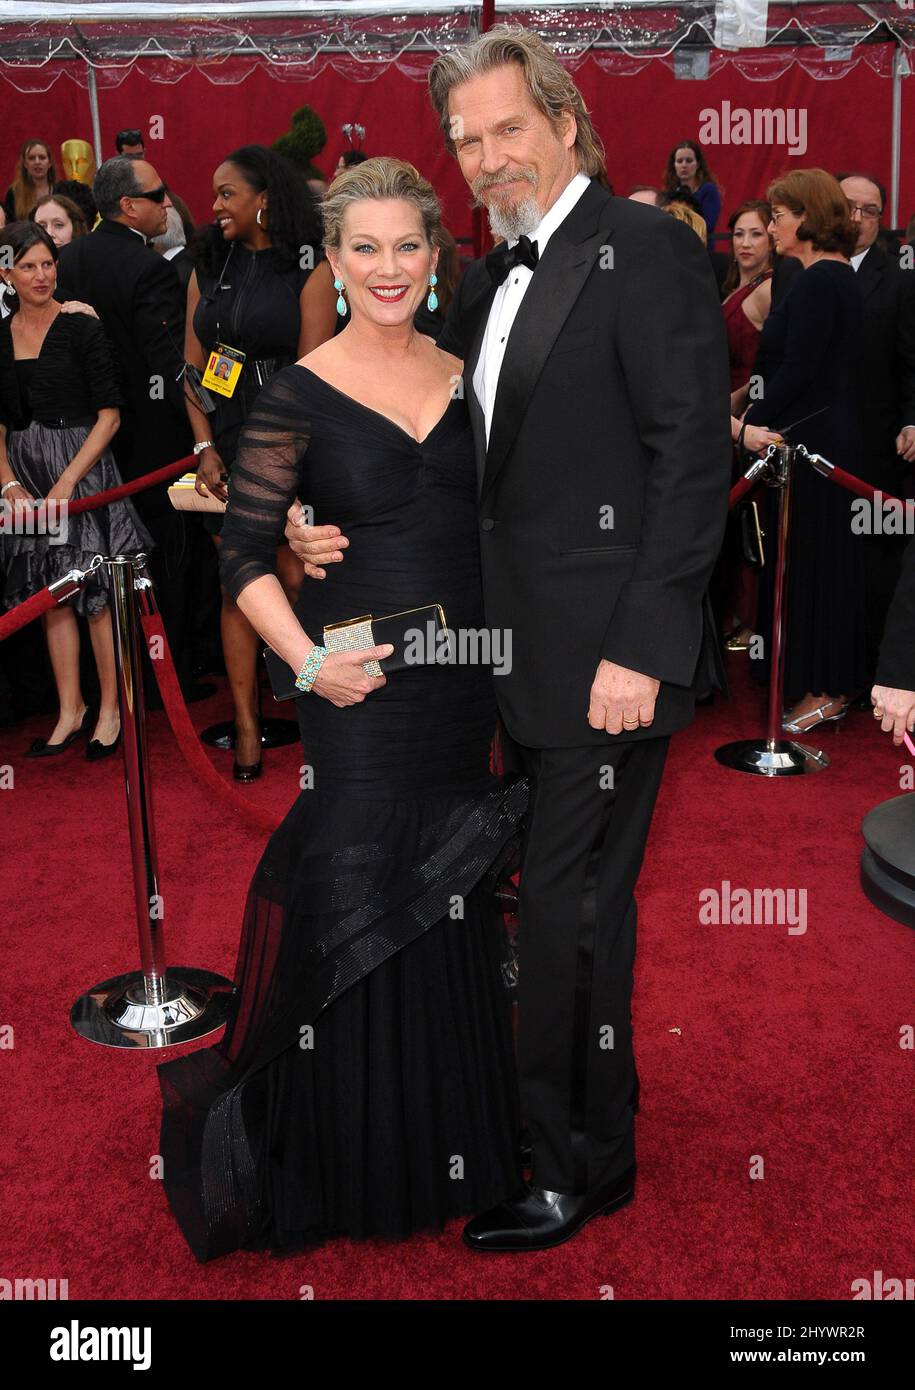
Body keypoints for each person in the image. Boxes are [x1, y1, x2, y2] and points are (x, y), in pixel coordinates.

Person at [285, 25, 733, 1252]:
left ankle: (579, 1165)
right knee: (529, 897)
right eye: (468, 141)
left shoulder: (647, 251)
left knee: (572, 911)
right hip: (499, 662)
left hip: (605, 667)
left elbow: (691, 464)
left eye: (507, 131)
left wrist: (640, 648)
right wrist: (322, 528)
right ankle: (564, 1113)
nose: (488, 160)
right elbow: (454, 466)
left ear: (566, 121)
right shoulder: (483, 279)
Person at [156, 156, 528, 1262]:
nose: (388, 268)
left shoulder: (473, 376)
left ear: (434, 254)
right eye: (363, 247)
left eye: (407, 246)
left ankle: (448, 1128)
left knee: (452, 886)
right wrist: (307, 662)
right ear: (332, 257)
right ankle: (340, 1144)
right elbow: (241, 552)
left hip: (464, 674)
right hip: (357, 681)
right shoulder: (297, 391)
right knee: (358, 868)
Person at [185, 144, 337, 779]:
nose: (215, 205)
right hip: (222, 443)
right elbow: (192, 368)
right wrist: (203, 447)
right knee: (234, 585)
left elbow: (312, 376)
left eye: (227, 193)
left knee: (295, 581)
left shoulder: (310, 267)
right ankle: (246, 727)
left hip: (290, 446)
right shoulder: (206, 263)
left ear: (264, 200)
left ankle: (317, 712)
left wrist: (276, 464)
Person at [0, 222, 152, 758]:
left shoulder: (81, 325)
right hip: (25, 480)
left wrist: (67, 482)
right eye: (27, 266)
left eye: (47, 263)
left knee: (95, 595)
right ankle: (71, 710)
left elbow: (111, 416)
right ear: (6, 274)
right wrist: (10, 483)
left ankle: (111, 709)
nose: (41, 275)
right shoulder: (0, 336)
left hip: (82, 471)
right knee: (50, 596)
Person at [55, 156, 197, 698]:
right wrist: (198, 432)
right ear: (128, 206)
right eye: (158, 193)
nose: (168, 202)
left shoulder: (68, 260)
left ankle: (112, 683)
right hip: (151, 440)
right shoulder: (151, 268)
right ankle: (171, 681)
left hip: (83, 439)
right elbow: (166, 363)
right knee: (161, 559)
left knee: (99, 558)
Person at [745, 169, 868, 733]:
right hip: (817, 437)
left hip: (818, 445)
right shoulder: (821, 274)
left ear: (807, 217)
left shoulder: (822, 280)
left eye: (778, 215)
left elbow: (797, 370)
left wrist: (750, 421)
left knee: (818, 566)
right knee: (810, 564)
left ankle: (824, 689)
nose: (771, 226)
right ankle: (811, 682)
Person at [837, 171, 915, 686]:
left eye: (871, 211)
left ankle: (871, 673)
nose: (859, 219)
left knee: (873, 565)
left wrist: (912, 418)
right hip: (820, 445)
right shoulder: (805, 268)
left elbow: (912, 361)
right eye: (849, 207)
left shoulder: (900, 280)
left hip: (878, 446)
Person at [661, 140, 721, 241]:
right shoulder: (669, 192)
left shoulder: (708, 190)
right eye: (679, 161)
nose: (684, 165)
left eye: (689, 161)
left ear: (697, 164)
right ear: (674, 165)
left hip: (701, 247)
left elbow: (708, 225)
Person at [3, 140, 55, 222]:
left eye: (42, 157)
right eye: (31, 158)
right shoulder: (14, 193)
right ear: (25, 164)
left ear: (49, 163)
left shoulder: (62, 190)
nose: (37, 162)